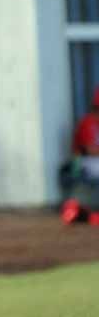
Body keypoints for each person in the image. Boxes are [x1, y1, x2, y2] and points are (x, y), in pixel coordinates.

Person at [61, 87, 99, 224]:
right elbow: (89, 150)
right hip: (82, 162)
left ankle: (81, 212)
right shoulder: (88, 122)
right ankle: (75, 210)